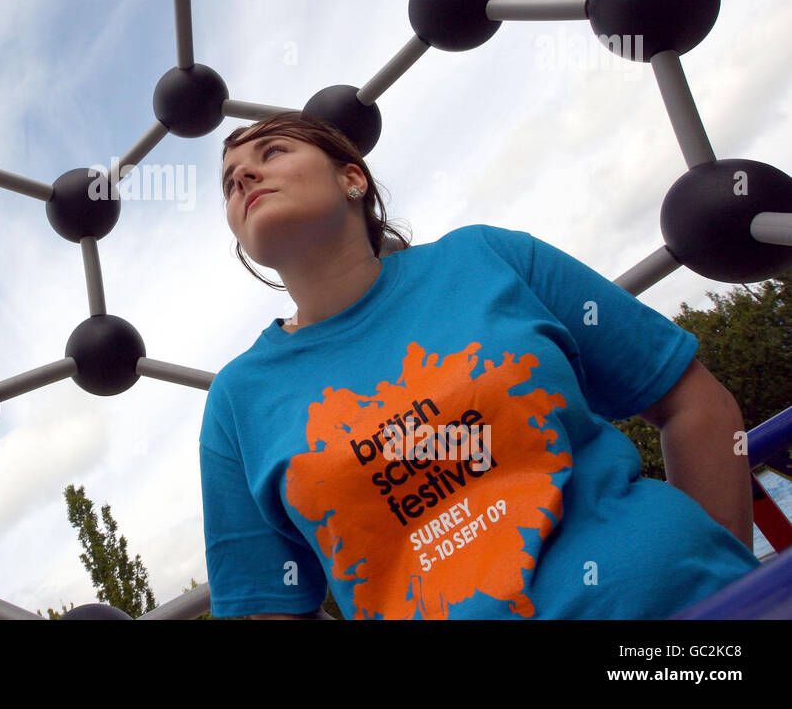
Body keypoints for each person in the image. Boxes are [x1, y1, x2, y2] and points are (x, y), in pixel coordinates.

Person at [200, 110, 760, 619]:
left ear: (353, 179)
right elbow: (268, 608)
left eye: (272, 153)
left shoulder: (488, 257)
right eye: (230, 182)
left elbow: (690, 400)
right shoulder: (238, 400)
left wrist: (725, 584)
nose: (244, 178)